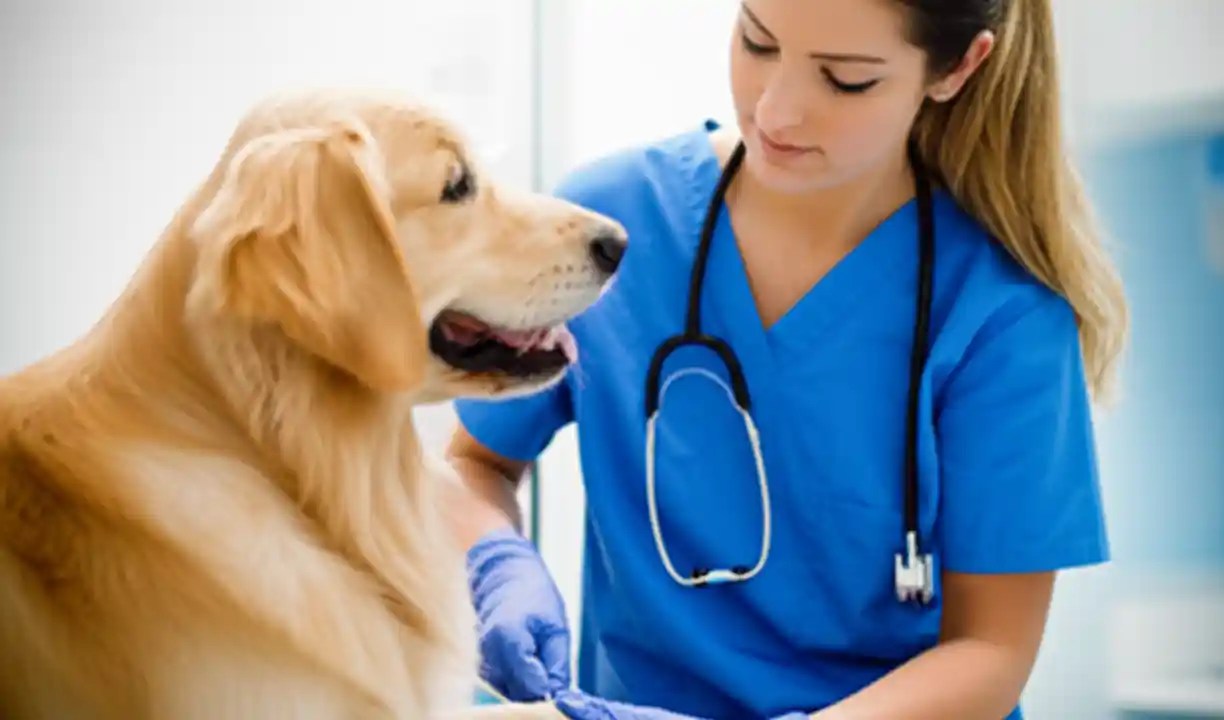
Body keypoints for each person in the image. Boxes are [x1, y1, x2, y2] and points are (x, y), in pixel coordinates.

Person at [445, 0, 1129, 717]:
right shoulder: (610, 227)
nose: (776, 110)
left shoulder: (999, 311)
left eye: (846, 79)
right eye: (758, 41)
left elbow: (991, 653)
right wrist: (495, 567)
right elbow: (474, 463)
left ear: (958, 67)